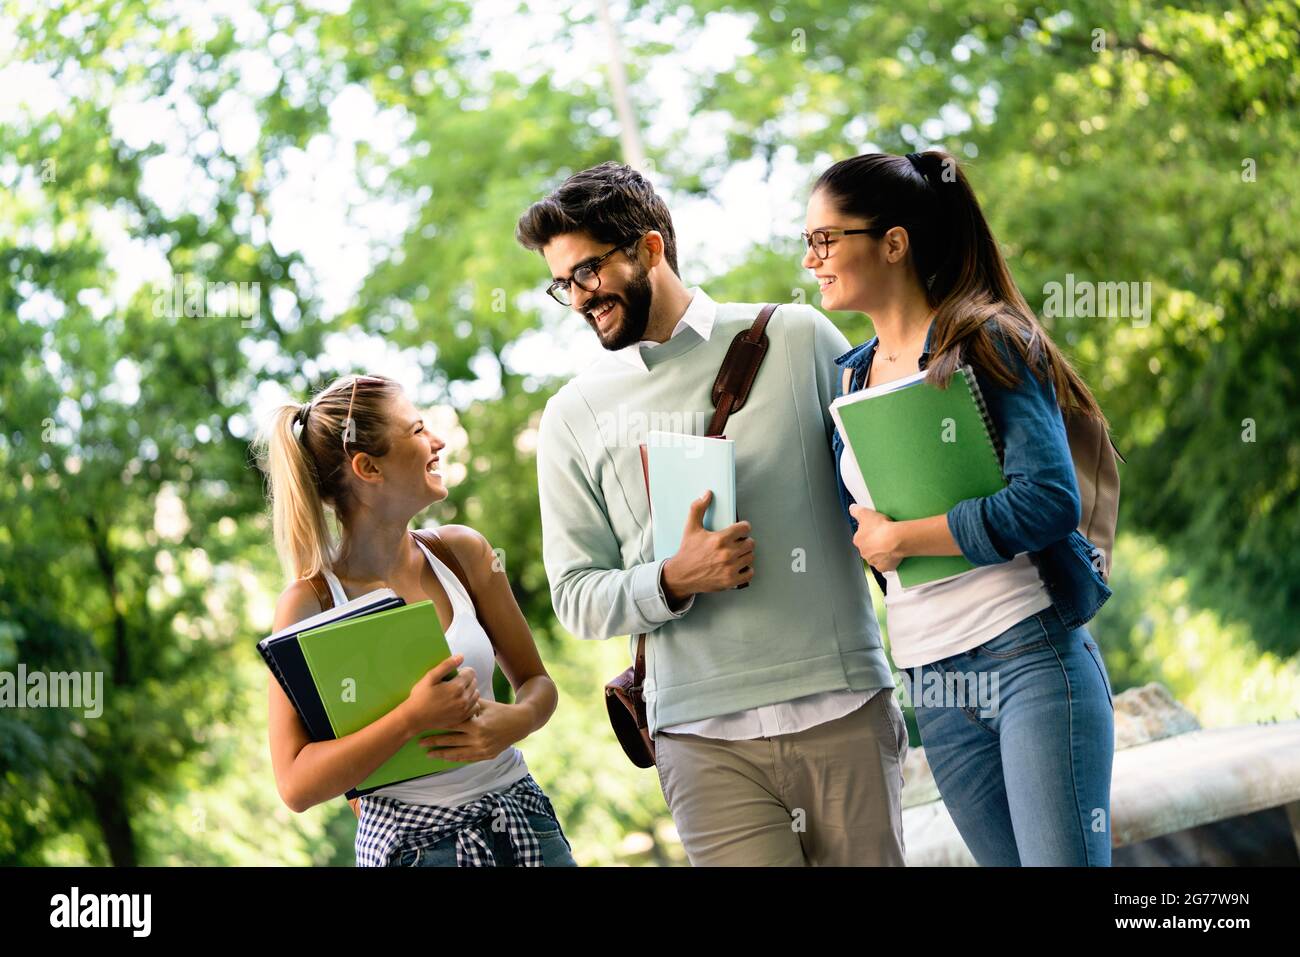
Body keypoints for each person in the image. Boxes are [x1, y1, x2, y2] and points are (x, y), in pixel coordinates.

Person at [517, 162, 907, 866]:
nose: (578, 298)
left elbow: (886, 492)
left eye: (588, 272)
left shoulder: (799, 337)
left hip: (842, 704)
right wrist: (671, 579)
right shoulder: (571, 415)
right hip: (701, 741)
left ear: (649, 248)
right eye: (562, 284)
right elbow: (575, 597)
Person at [806, 149, 1116, 865]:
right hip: (934, 679)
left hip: (1028, 654)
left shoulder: (984, 338)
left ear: (893, 241)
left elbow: (1048, 500)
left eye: (827, 238)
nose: (813, 259)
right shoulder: (850, 376)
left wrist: (904, 537)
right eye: (808, 242)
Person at [255, 373, 574, 867]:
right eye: (418, 429)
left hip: (524, 823)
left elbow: (538, 684)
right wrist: (410, 720)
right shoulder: (311, 603)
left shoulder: (462, 553)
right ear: (368, 467)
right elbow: (295, 784)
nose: (438, 441)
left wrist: (517, 720)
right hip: (414, 850)